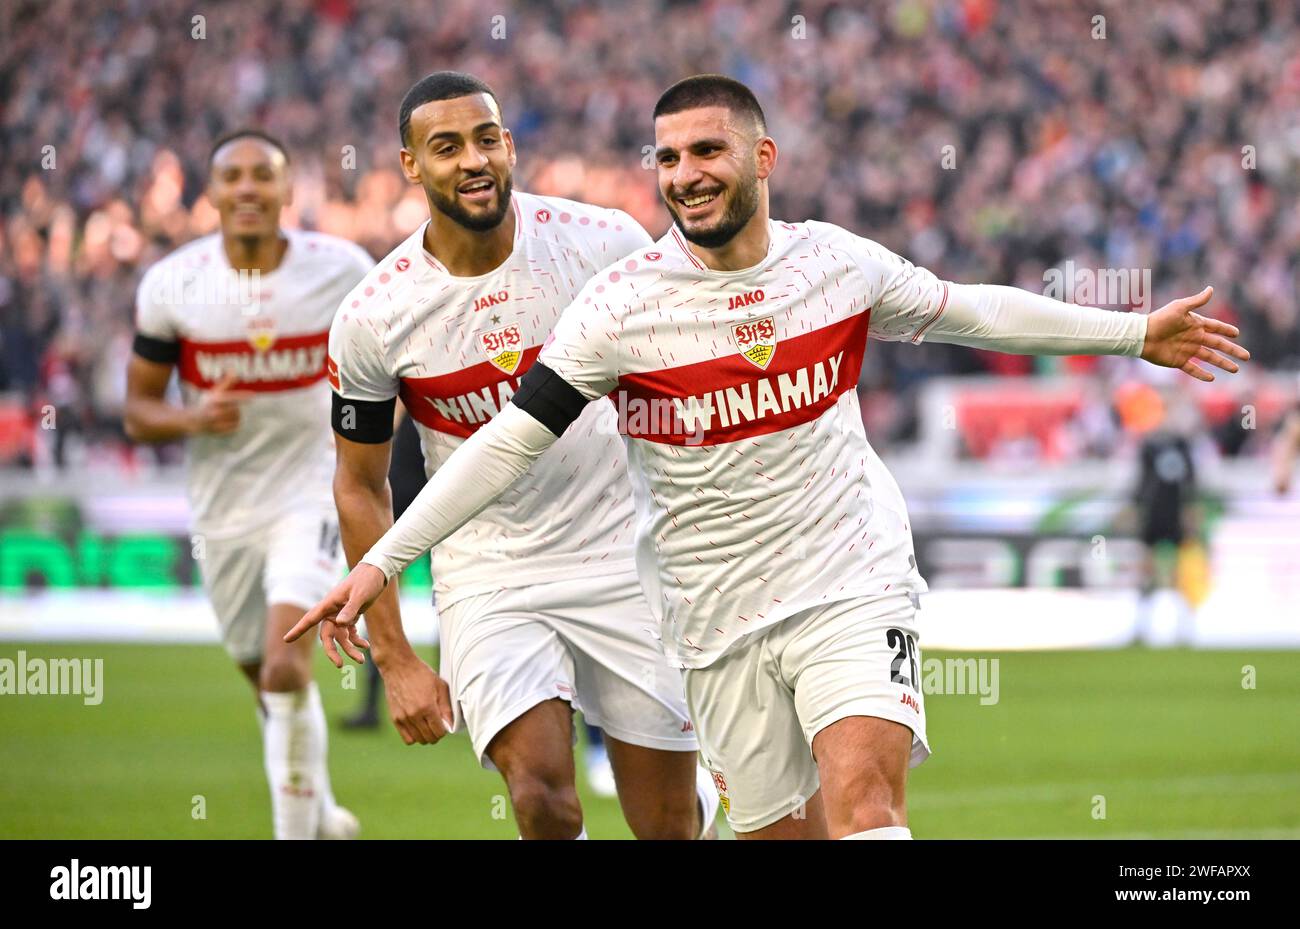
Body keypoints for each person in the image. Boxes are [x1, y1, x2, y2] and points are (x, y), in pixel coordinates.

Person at [292, 75, 1249, 839]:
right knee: (748, 829)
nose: (687, 174)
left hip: (847, 574)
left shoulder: (833, 263)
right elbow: (508, 439)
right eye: (668, 158)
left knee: (864, 807)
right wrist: (383, 566)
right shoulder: (621, 303)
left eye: (707, 151)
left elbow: (974, 308)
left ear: (762, 157)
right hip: (710, 611)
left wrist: (1130, 333)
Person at [305, 72, 716, 839]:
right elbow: (360, 485)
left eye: (486, 139)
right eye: (447, 146)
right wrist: (395, 659)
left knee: (668, 824)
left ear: (510, 146)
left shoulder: (603, 244)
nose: (473, 160)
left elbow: (686, 384)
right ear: (409, 165)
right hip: (490, 572)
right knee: (541, 796)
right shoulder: (372, 316)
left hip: (622, 555)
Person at [125, 129, 374, 839]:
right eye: (231, 177)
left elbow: (388, 361)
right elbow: (138, 413)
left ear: (287, 190)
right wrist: (192, 416)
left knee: (286, 672)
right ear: (210, 194)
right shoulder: (173, 285)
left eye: (262, 176)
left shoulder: (341, 270)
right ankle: (322, 817)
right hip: (224, 509)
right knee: (264, 677)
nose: (246, 190)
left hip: (312, 491)